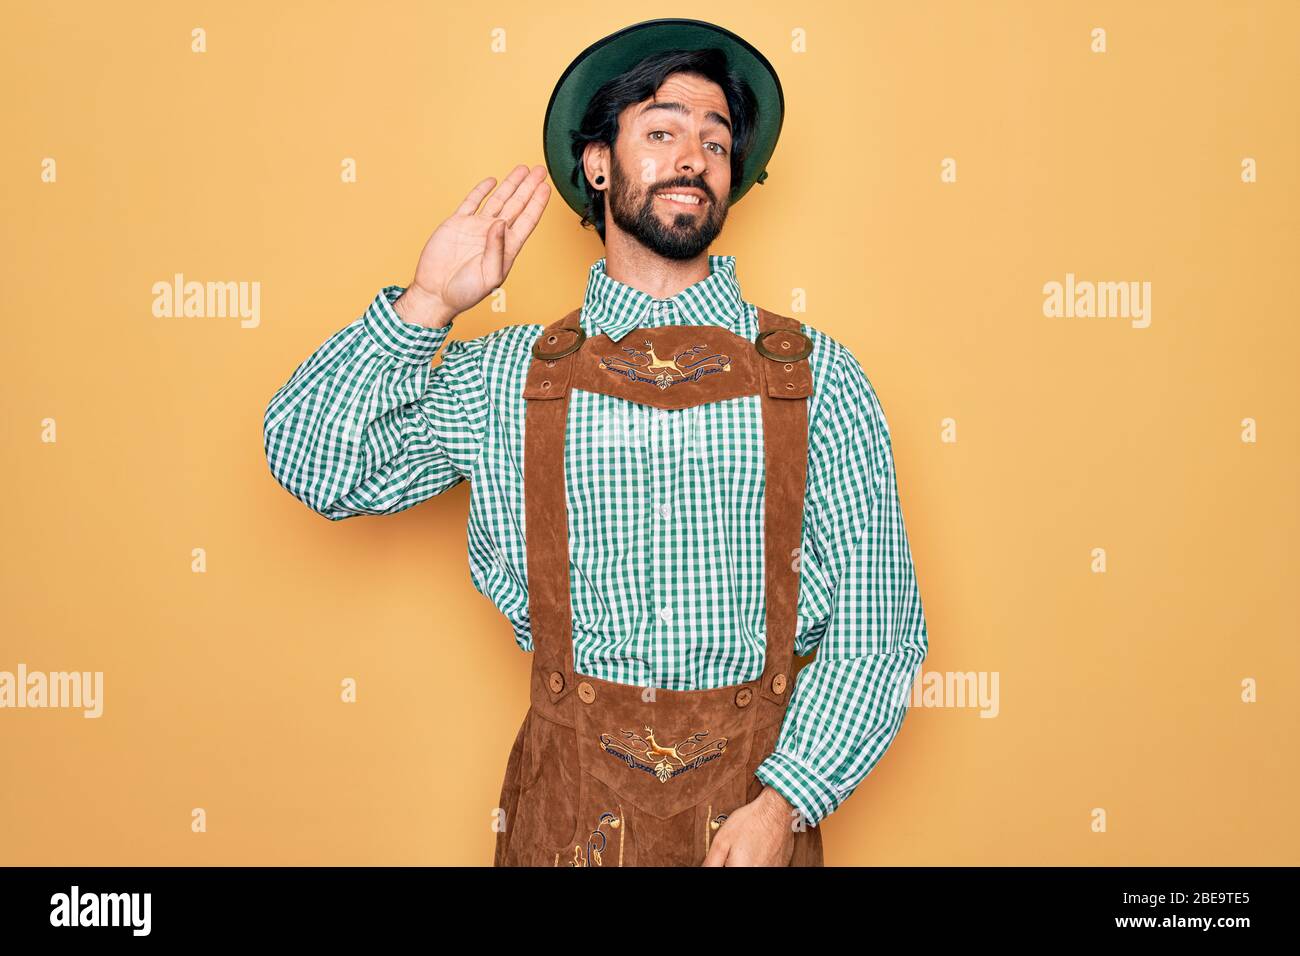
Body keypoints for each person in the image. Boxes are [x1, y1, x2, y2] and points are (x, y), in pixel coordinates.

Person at [263, 18, 928, 867]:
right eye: (662, 131)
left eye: (715, 142)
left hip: (753, 823)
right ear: (598, 163)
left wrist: (785, 804)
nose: (694, 157)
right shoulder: (507, 378)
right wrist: (427, 302)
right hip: (561, 815)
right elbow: (313, 465)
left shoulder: (818, 379)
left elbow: (883, 627)